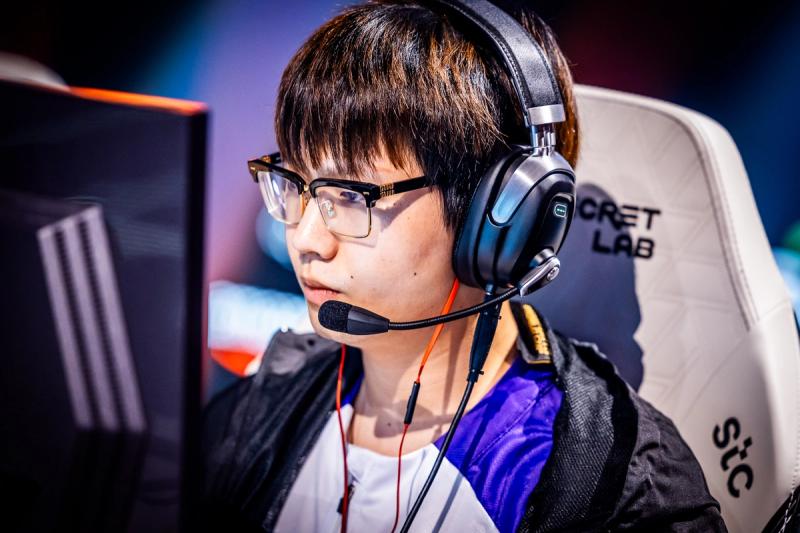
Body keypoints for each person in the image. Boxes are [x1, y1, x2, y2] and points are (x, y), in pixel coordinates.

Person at [201, 1, 728, 531]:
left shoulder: (614, 490)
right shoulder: (257, 412)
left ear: (496, 215)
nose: (306, 239)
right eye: (296, 182)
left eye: (352, 194)